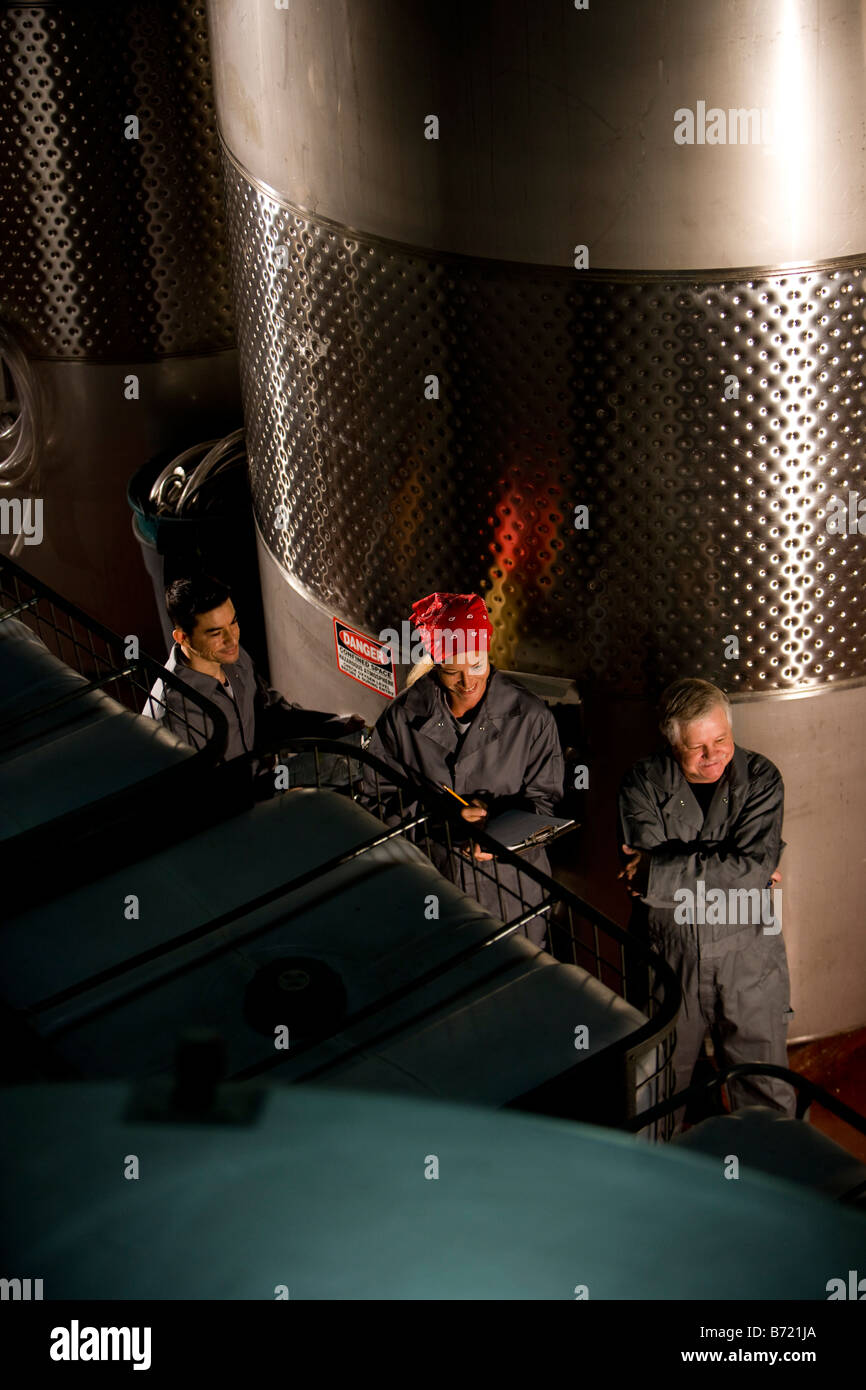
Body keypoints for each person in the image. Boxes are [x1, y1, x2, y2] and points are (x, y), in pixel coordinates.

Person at [617, 677, 796, 1130]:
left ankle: (774, 1184)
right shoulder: (641, 782)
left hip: (749, 957)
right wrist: (739, 870)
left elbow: (752, 869)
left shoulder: (761, 777)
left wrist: (661, 872)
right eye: (697, 747)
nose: (714, 755)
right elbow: (748, 870)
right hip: (670, 957)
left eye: (721, 740)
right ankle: (664, 1190)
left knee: (765, 1087)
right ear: (672, 743)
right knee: (658, 1091)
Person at [361, 592, 564, 946]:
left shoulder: (532, 718)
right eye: (452, 671)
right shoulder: (402, 718)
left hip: (514, 889)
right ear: (434, 664)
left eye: (477, 666)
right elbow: (376, 801)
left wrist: (501, 827)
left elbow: (546, 805)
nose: (467, 682)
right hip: (436, 884)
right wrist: (440, 819)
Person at [145, 575, 364, 786]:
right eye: (215, 633)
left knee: (363, 744)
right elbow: (200, 801)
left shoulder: (230, 655)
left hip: (264, 779)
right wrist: (282, 791)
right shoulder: (174, 714)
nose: (232, 639)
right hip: (235, 808)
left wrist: (334, 728)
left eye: (233, 623)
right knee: (351, 764)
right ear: (182, 637)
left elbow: (269, 712)